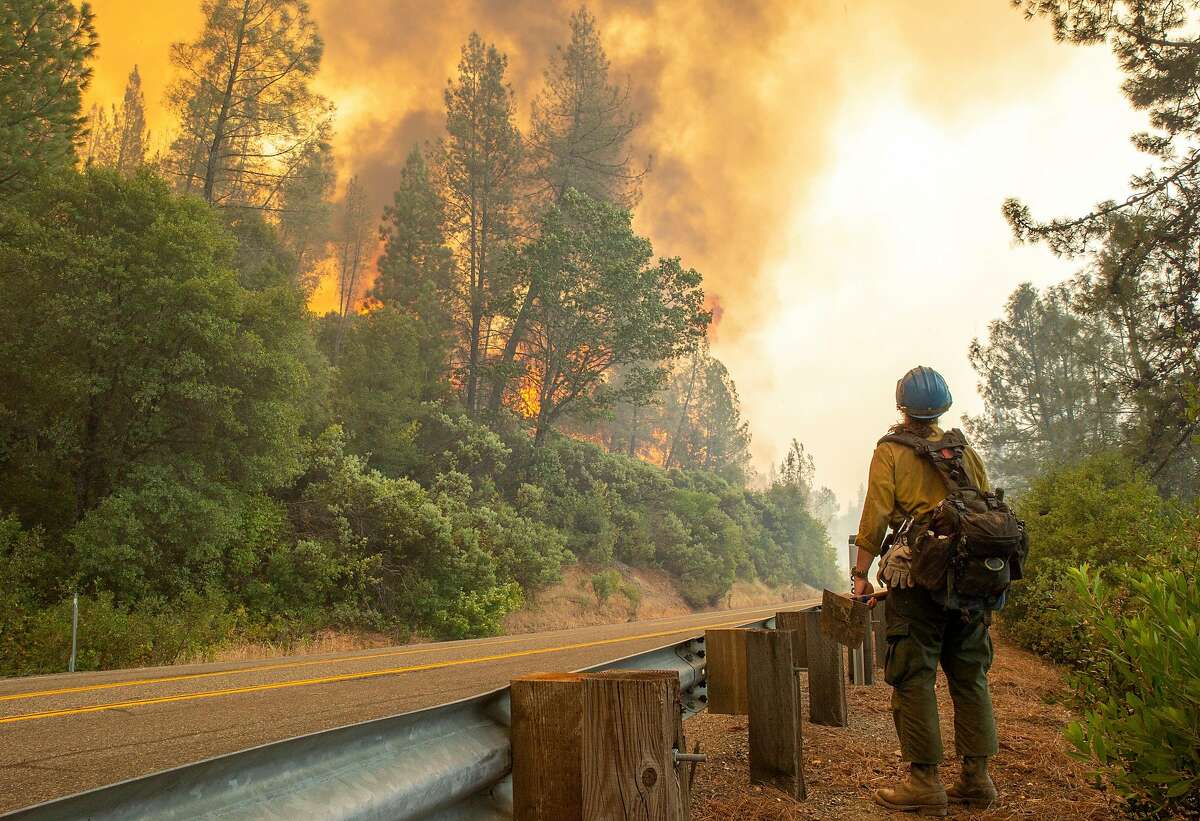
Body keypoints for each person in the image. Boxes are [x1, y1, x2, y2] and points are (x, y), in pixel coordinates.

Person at [850, 366, 999, 817]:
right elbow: (987, 505)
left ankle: (924, 784)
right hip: (971, 585)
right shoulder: (965, 453)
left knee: (914, 677)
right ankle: (977, 781)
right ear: (943, 407)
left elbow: (875, 513)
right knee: (970, 678)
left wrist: (861, 574)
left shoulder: (891, 451)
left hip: (916, 582)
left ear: (902, 407)